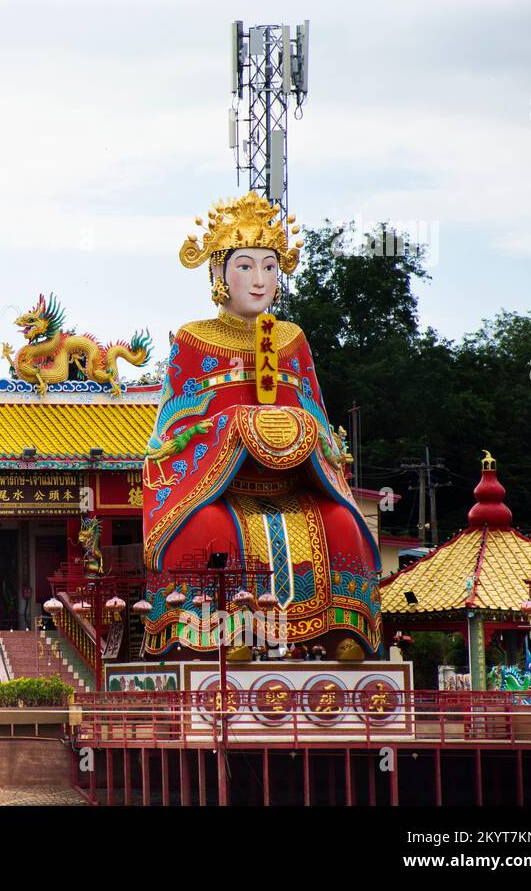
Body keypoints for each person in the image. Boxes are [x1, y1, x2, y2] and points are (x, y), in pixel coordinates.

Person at [141, 191, 382, 661]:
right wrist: (237, 424)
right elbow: (168, 436)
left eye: (270, 267)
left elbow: (317, 416)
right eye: (246, 266)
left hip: (295, 483)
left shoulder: (291, 339)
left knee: (341, 523)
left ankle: (340, 635)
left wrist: (302, 429)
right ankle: (217, 634)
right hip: (219, 486)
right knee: (206, 528)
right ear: (218, 274)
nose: (259, 280)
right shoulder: (193, 340)